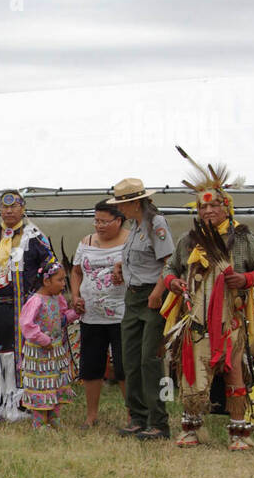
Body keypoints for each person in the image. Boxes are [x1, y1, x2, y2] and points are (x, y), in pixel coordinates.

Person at [161, 156, 254, 451]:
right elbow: (170, 268)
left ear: (227, 206)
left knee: (235, 373)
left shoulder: (243, 237)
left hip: (230, 321)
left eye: (214, 205)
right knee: (192, 375)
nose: (208, 210)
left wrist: (246, 279)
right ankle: (190, 430)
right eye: (202, 206)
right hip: (195, 320)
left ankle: (239, 434)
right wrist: (173, 282)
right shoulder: (188, 240)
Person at [0, 190, 54, 422]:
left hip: (23, 309)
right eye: (4, 207)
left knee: (21, 356)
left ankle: (22, 405)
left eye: (14, 206)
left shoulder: (33, 236)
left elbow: (50, 266)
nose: (9, 211)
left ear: (23, 208)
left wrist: (40, 295)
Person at [108, 178, 174, 441]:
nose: (119, 210)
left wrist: (158, 292)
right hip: (132, 297)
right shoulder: (134, 226)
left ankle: (158, 421)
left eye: (122, 204)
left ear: (135, 202)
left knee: (149, 359)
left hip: (152, 297)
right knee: (130, 359)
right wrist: (119, 268)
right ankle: (138, 416)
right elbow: (137, 258)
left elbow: (169, 263)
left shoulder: (156, 224)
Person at [69, 200, 129, 428]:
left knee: (124, 367)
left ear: (119, 220)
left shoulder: (131, 241)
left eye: (105, 221)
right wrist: (75, 296)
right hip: (91, 315)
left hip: (121, 314)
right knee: (91, 366)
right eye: (96, 221)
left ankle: (132, 415)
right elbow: (75, 272)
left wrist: (123, 272)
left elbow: (142, 270)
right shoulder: (86, 242)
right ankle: (91, 415)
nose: (100, 226)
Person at [20, 262, 80, 429]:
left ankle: (54, 419)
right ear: (47, 282)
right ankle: (39, 423)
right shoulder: (35, 301)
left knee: (54, 383)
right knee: (41, 385)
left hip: (55, 351)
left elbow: (61, 319)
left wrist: (76, 313)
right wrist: (42, 339)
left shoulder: (57, 299)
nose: (63, 284)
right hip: (40, 353)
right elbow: (26, 324)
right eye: (60, 280)